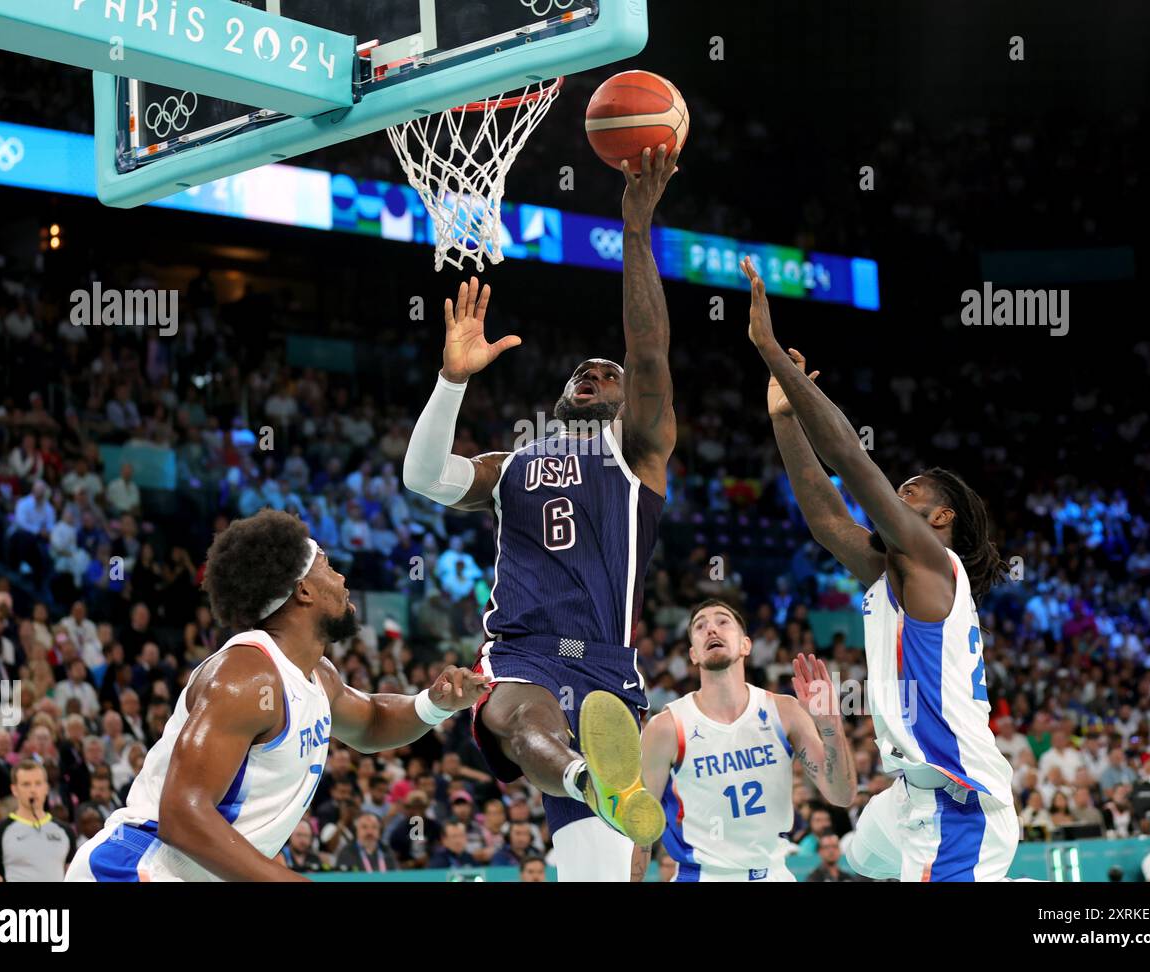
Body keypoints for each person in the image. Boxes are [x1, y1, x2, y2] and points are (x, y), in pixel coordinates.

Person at [402, 145, 682, 882]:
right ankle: (593, 779)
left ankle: (599, 785)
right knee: (516, 718)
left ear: (628, 402)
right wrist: (450, 381)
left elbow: (648, 351)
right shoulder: (512, 463)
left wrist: (634, 231)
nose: (594, 374)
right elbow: (424, 476)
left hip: (607, 664)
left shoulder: (637, 454)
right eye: (582, 372)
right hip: (524, 650)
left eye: (608, 375)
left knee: (597, 873)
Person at [744, 263, 1017, 882]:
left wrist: (770, 350)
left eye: (912, 491)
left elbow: (848, 457)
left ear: (941, 516)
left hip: (959, 800)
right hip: (905, 795)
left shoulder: (930, 562)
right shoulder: (894, 571)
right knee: (861, 862)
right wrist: (785, 420)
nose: (899, 490)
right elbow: (827, 520)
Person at [66, 510, 488, 882]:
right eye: (327, 565)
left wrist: (435, 705)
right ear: (303, 590)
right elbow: (182, 816)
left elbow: (372, 722)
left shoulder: (317, 675)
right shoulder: (246, 676)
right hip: (136, 868)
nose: (342, 578)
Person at [632, 600, 855, 882]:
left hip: (774, 873)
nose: (711, 628)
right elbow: (641, 828)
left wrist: (832, 728)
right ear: (693, 655)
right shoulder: (666, 727)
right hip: (703, 875)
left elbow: (842, 796)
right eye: (700, 626)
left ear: (746, 645)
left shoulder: (784, 712)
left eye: (723, 621)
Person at [0, 761, 75, 882]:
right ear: (14, 789)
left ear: (46, 788)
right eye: (26, 784)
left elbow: (73, 877)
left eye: (38, 784)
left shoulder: (65, 832)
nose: (33, 790)